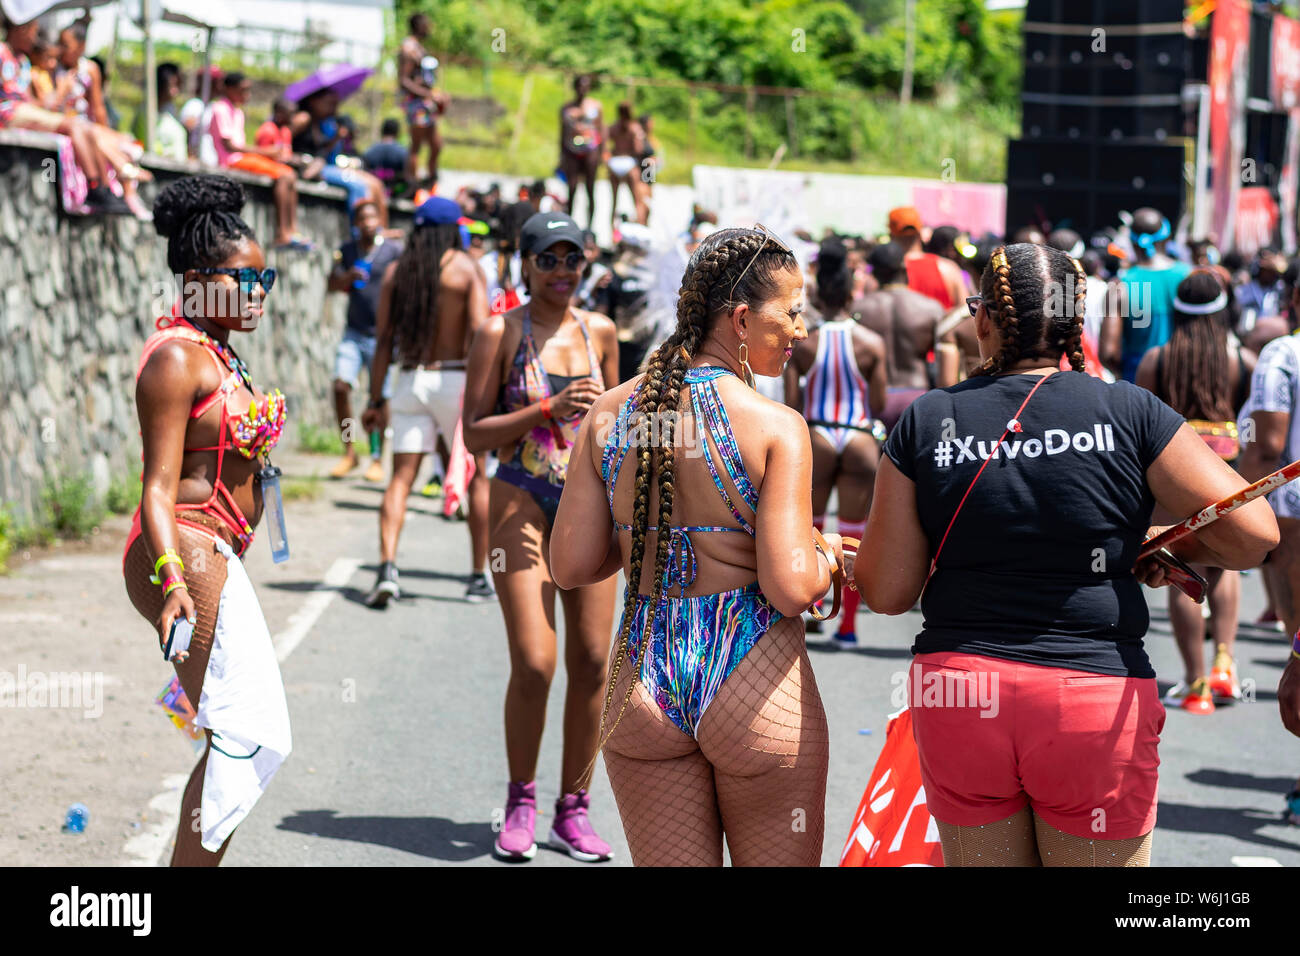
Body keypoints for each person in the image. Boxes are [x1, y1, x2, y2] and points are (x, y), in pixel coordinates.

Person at [855, 242, 1278, 867]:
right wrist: (1156, 539)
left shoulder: (927, 421)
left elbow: (887, 592)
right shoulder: (1126, 410)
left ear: (985, 321)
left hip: (963, 696)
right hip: (1091, 699)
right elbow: (1254, 534)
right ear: (1077, 325)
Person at [550, 225, 838, 867]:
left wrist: (641, 538)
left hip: (641, 685)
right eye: (791, 312)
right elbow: (791, 587)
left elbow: (569, 565)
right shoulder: (774, 425)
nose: (801, 329)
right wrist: (828, 559)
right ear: (740, 318)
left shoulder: (611, 414)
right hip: (751, 679)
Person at [122, 175, 292, 866]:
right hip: (183, 551)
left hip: (217, 554)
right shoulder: (175, 359)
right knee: (245, 735)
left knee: (235, 736)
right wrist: (171, 582)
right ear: (196, 280)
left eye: (265, 278)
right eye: (242, 278)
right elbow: (156, 490)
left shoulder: (223, 353)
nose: (257, 292)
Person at [462, 211, 620, 862]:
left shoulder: (601, 331)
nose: (562, 271)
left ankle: (572, 811)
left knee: (592, 663)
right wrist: (546, 410)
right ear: (524, 264)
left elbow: (617, 417)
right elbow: (473, 434)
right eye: (548, 259)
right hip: (519, 498)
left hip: (590, 502)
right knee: (535, 660)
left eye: (572, 258)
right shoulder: (500, 330)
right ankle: (521, 800)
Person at [362, 197, 493, 606]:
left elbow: (383, 340)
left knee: (401, 478)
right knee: (477, 477)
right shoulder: (466, 269)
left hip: (409, 378)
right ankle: (477, 576)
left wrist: (375, 398)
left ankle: (387, 567)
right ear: (455, 228)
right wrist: (487, 394)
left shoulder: (398, 271)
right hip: (456, 380)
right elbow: (481, 333)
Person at [1136, 269, 1255, 713]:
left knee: (1180, 572)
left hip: (1173, 475)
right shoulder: (1242, 360)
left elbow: (1141, 429)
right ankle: (1225, 662)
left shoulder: (1157, 359)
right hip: (1228, 470)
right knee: (1223, 570)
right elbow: (1252, 426)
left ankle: (1196, 683)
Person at [786, 238, 887, 647]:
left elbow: (791, 403)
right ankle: (848, 627)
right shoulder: (872, 343)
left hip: (818, 431)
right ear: (851, 293)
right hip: (860, 434)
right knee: (853, 534)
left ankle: (813, 611)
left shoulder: (803, 340)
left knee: (810, 528)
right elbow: (878, 403)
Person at [0, 15, 129, 215]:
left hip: (24, 109)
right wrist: (60, 93)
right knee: (74, 125)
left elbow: (31, 102)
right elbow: (24, 103)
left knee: (84, 127)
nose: (34, 38)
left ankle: (106, 187)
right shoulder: (2, 53)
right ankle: (95, 186)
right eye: (33, 31)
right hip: (8, 112)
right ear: (21, 29)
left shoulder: (21, 61)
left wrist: (52, 99)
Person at [327, 199, 403, 483]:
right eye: (363, 219)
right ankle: (349, 451)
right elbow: (330, 284)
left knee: (379, 399)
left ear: (380, 220)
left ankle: (375, 458)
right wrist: (345, 277)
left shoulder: (393, 250)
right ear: (356, 224)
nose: (369, 223)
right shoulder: (347, 250)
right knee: (339, 386)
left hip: (382, 338)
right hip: (354, 332)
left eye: (373, 217)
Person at [854, 241, 949, 430]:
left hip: (874, 400)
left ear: (875, 272)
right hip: (918, 396)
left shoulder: (859, 310)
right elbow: (943, 362)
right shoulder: (931, 308)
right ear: (904, 268)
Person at [208, 73, 307, 249]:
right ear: (229, 89)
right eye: (243, 90)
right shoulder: (220, 108)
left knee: (290, 174)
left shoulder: (237, 111)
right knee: (284, 175)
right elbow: (230, 146)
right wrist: (265, 152)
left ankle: (292, 231)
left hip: (243, 157)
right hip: (231, 160)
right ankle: (282, 233)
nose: (247, 95)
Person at [1100, 208, 1191, 383]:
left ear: (1133, 242)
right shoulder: (1189, 277)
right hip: (1182, 381)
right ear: (1167, 237)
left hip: (1137, 384)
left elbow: (1109, 353)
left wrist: (1130, 371)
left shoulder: (1120, 286)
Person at [290, 86, 388, 227]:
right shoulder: (303, 119)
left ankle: (381, 230)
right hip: (310, 167)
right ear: (313, 101)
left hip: (324, 166)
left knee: (376, 184)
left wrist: (336, 138)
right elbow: (284, 139)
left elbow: (323, 152)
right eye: (330, 104)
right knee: (359, 186)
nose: (334, 108)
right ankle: (359, 232)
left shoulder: (327, 124)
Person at [398, 13, 447, 187]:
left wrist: (436, 94)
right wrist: (428, 95)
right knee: (416, 146)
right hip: (416, 104)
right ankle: (412, 183)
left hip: (425, 103)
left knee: (436, 144)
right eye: (427, 24)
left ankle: (431, 179)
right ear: (419, 26)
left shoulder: (418, 47)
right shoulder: (408, 49)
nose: (429, 28)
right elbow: (404, 80)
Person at [888, 206, 967, 311]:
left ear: (891, 236)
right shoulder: (949, 268)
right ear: (920, 233)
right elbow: (965, 312)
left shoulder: (888, 271)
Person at [558, 74, 603, 230]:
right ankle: (568, 224)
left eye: (586, 86)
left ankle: (589, 227)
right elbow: (562, 133)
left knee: (590, 189)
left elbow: (601, 129)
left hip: (590, 149)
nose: (582, 89)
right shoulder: (567, 108)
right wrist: (561, 156)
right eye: (580, 86)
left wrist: (602, 153)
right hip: (572, 150)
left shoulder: (595, 106)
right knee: (572, 187)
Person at [132, 61, 188, 161]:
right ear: (162, 84)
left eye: (178, 85)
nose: (176, 91)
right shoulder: (145, 113)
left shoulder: (170, 109)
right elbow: (145, 143)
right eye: (173, 85)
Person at [606, 102, 647, 228]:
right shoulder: (635, 128)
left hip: (616, 162)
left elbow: (605, 147)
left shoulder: (614, 127)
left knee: (614, 202)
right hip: (629, 162)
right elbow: (639, 150)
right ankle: (640, 228)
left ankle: (612, 233)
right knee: (637, 201)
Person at [362, 117, 410, 197]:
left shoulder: (369, 151)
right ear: (397, 132)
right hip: (396, 194)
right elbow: (407, 175)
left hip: (372, 192)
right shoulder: (403, 153)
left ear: (382, 131)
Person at [254, 97, 294, 162]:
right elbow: (261, 155)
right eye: (290, 114)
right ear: (279, 114)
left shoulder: (286, 131)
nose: (293, 118)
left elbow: (288, 152)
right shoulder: (268, 130)